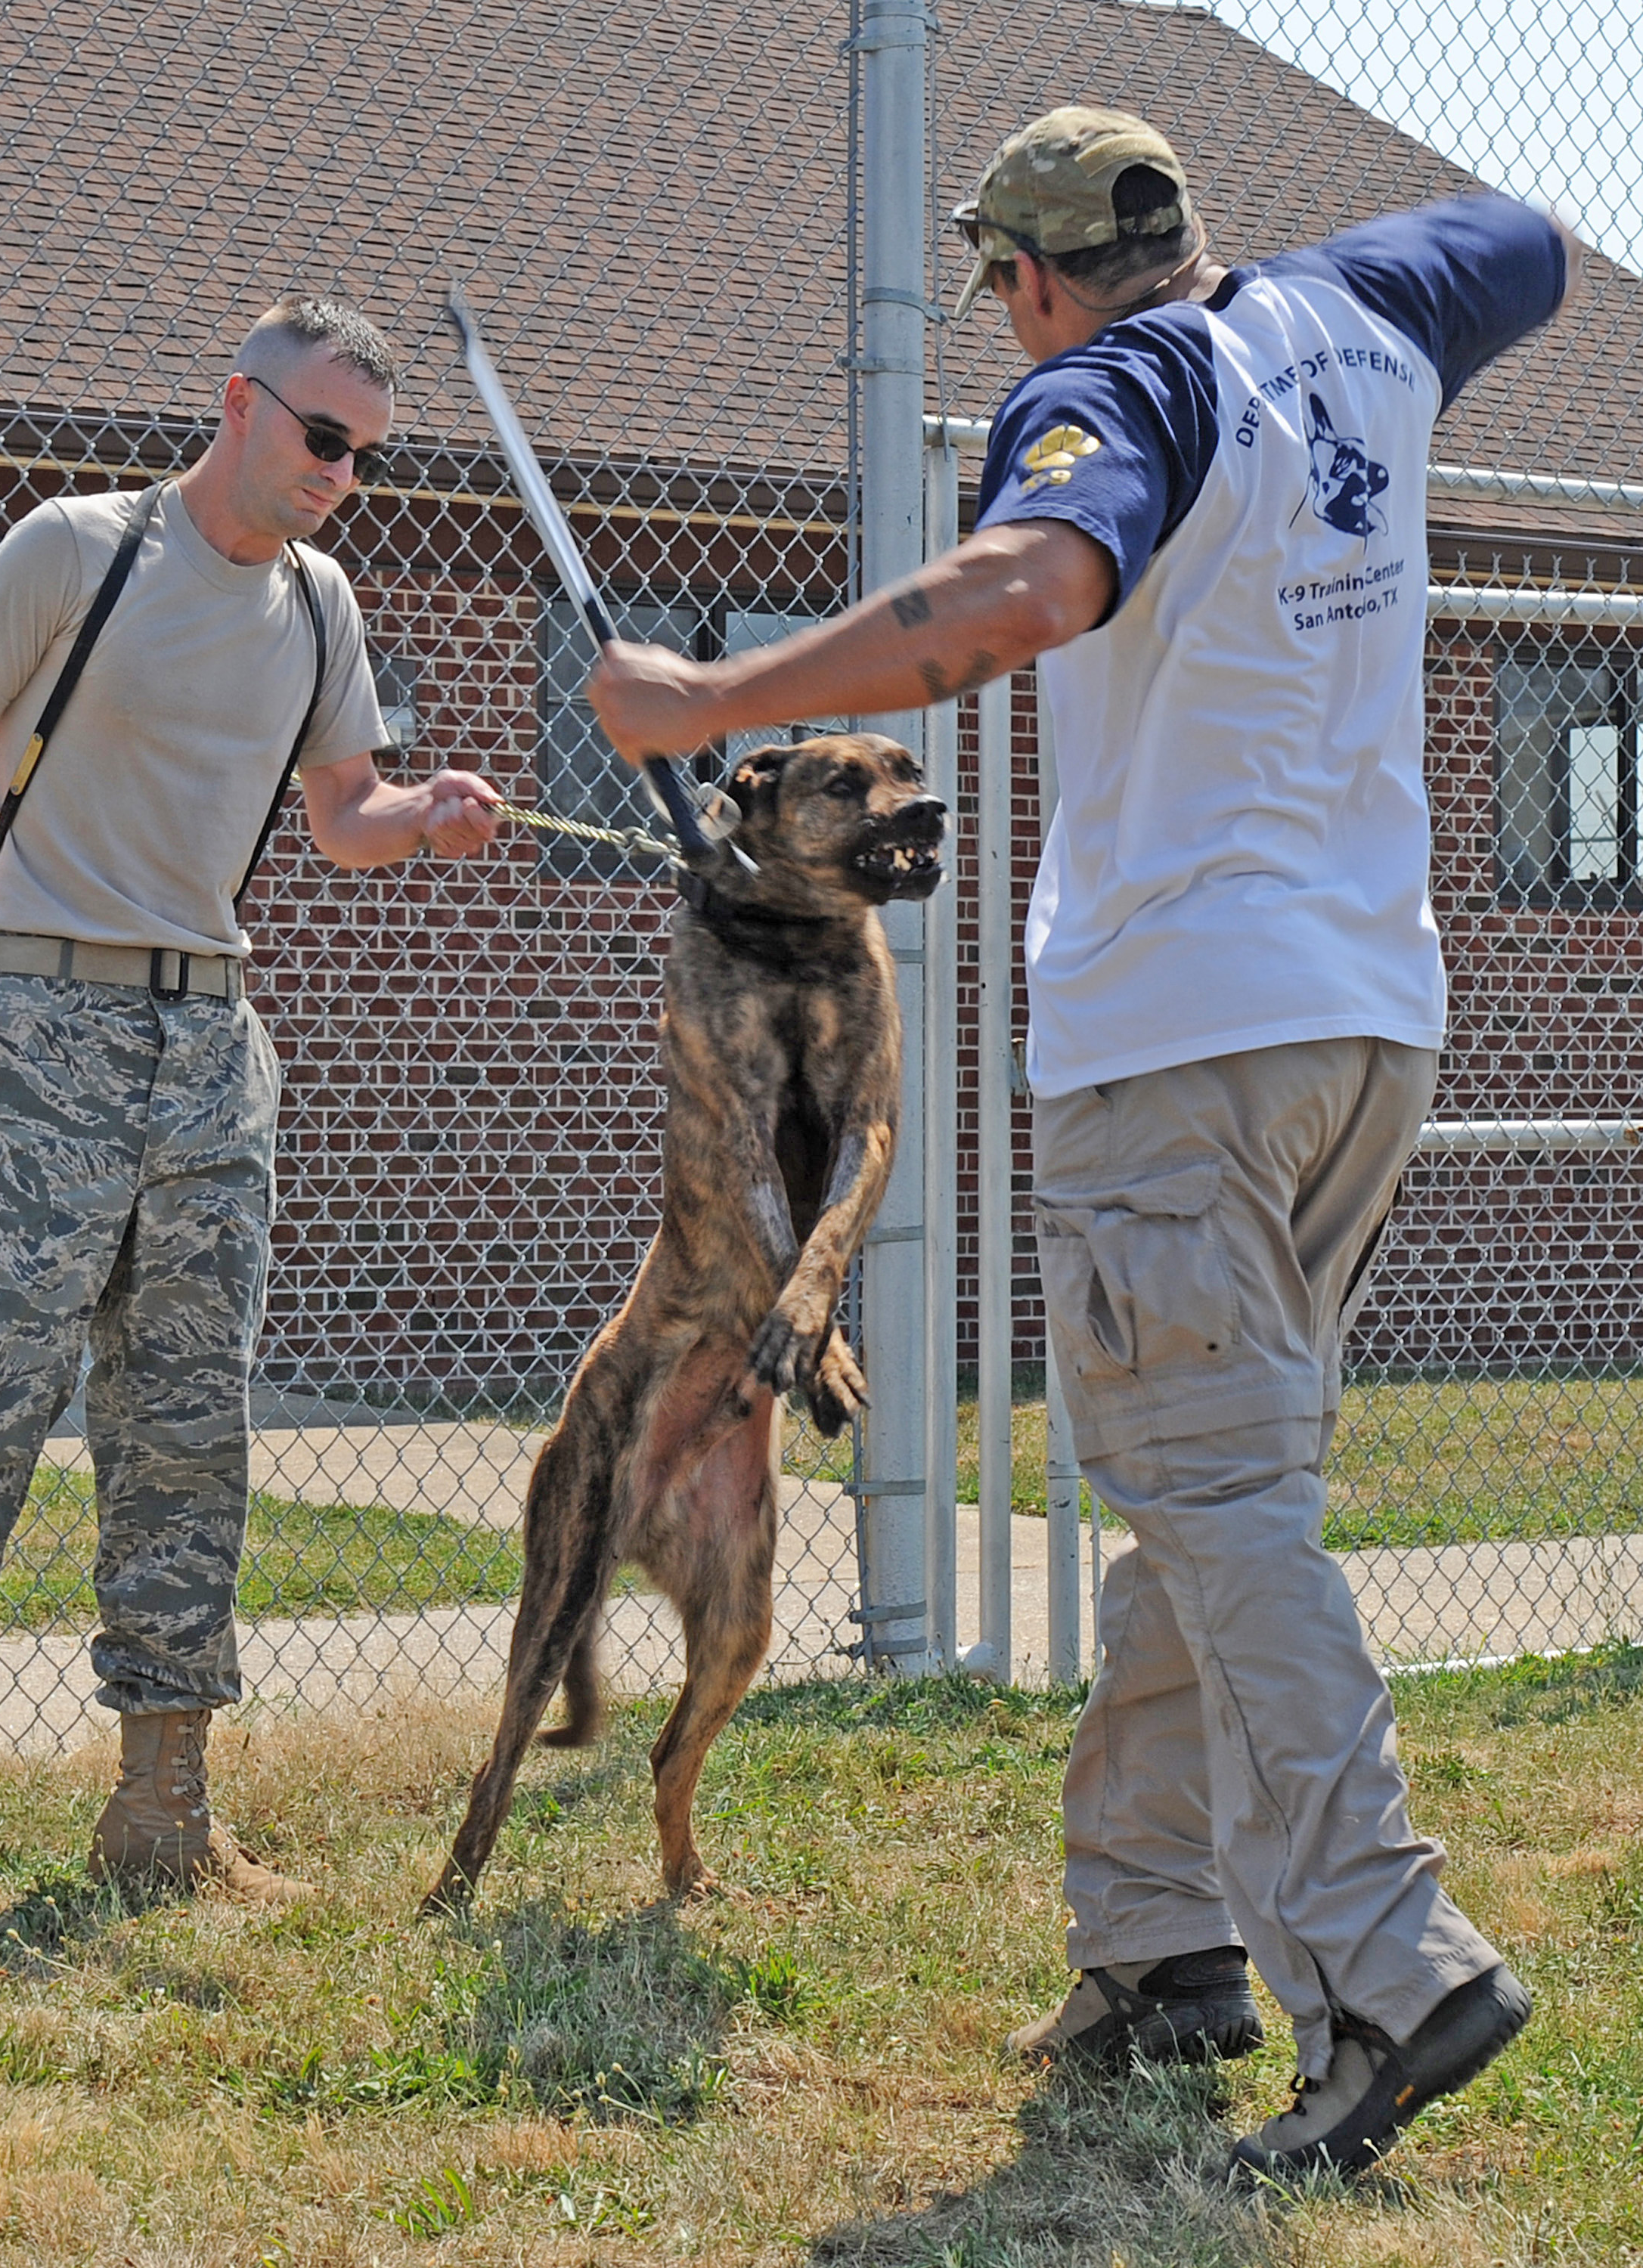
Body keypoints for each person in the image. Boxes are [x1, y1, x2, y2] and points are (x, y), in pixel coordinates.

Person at [589, 107, 1574, 2179]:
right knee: (1203, 1491)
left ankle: (1391, 1970)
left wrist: (709, 700)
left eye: (1003, 285)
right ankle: (1160, 1946)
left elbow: (1020, 592)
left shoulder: (1109, 390)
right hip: (1365, 1032)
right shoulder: (1367, 309)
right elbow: (1530, 243)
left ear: (1031, 283)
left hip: (1179, 1043)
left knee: (1216, 1505)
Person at [0, 296, 501, 1928]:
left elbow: (340, 819)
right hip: (35, 1022)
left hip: (210, 1048)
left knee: (187, 1435)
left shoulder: (322, 607)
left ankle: (163, 1812)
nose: (343, 475)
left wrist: (425, 818)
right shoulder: (78, 548)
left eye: (366, 455)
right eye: (323, 437)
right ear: (240, 407)